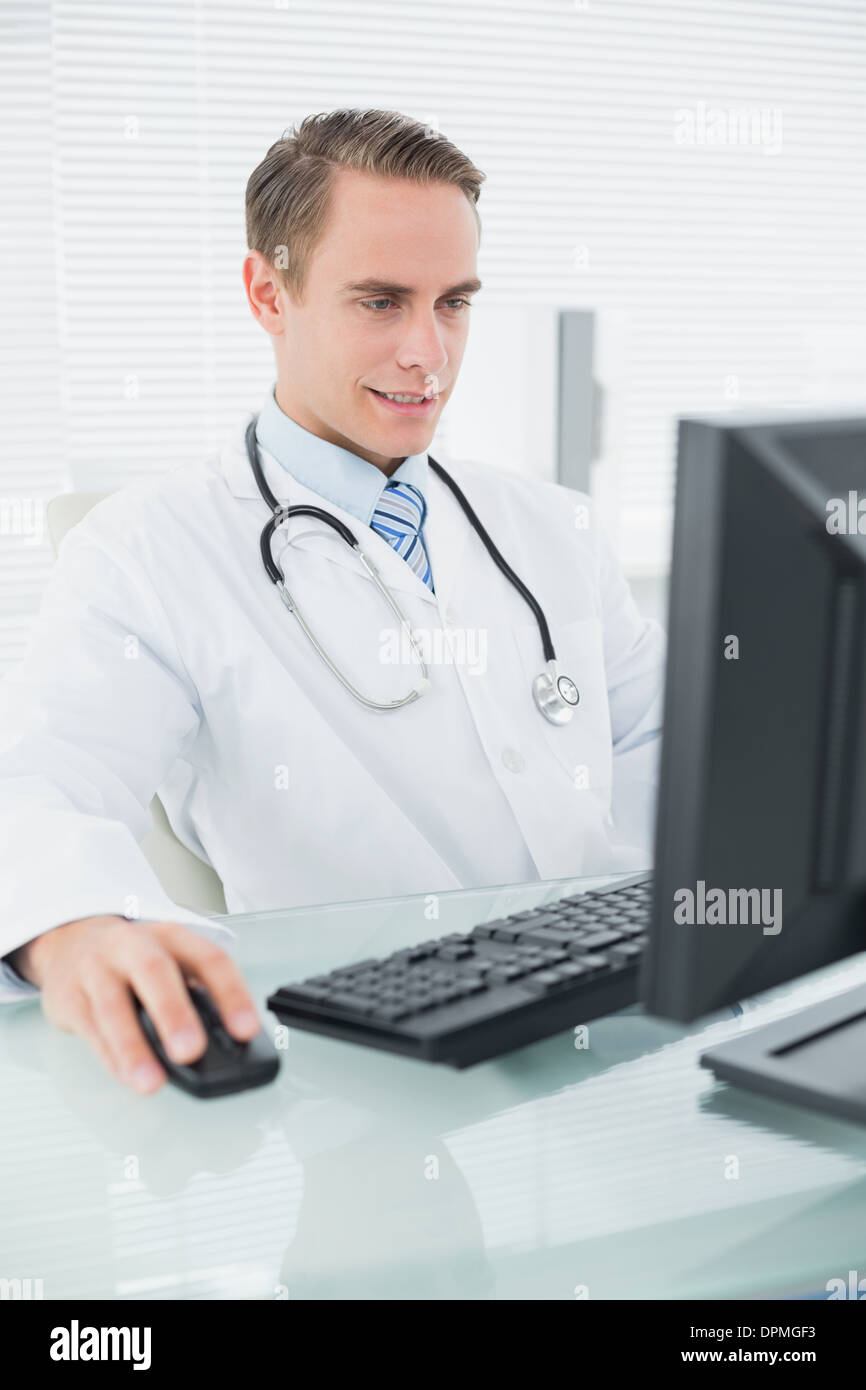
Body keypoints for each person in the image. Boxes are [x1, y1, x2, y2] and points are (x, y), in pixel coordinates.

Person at [0, 108, 665, 1093]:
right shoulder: (150, 549)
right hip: (363, 1073)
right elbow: (37, 783)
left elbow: (674, 753)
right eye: (381, 301)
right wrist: (70, 928)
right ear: (268, 292)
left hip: (617, 1032)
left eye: (454, 303)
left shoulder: (544, 528)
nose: (427, 353)